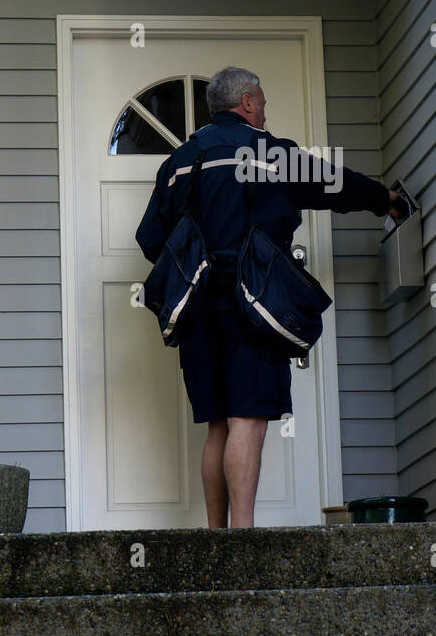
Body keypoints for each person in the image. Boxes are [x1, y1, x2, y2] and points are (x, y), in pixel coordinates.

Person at [136, 66, 405, 529]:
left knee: (217, 423)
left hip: (198, 307)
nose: (264, 112)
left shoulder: (180, 161)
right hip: (252, 304)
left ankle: (217, 536)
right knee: (248, 418)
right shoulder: (270, 154)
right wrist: (385, 200)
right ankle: (244, 538)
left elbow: (149, 238)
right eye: (261, 103)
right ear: (246, 103)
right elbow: (334, 185)